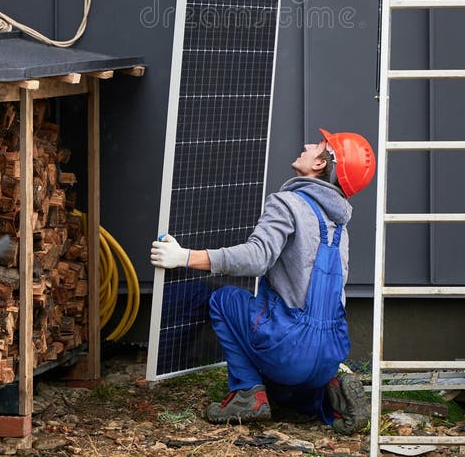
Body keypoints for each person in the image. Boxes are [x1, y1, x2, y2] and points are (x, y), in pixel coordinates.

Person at [150, 128, 375, 431]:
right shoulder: (339, 227)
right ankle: (327, 392)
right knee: (284, 389)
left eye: (318, 145)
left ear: (321, 164)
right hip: (331, 352)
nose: (307, 145)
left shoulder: (288, 203)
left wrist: (187, 257)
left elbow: (257, 258)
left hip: (290, 348)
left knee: (224, 300)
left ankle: (247, 393)